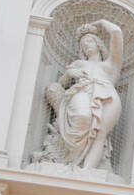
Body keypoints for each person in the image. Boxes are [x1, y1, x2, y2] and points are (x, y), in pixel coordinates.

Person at [41, 21, 124, 172]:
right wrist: (70, 73)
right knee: (82, 116)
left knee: (101, 134)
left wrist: (100, 22)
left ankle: (85, 171)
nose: (86, 45)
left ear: (98, 43)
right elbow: (61, 83)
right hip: (83, 91)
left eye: (89, 41)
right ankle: (72, 159)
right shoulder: (79, 63)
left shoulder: (111, 65)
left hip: (108, 97)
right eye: (82, 44)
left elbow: (116, 32)